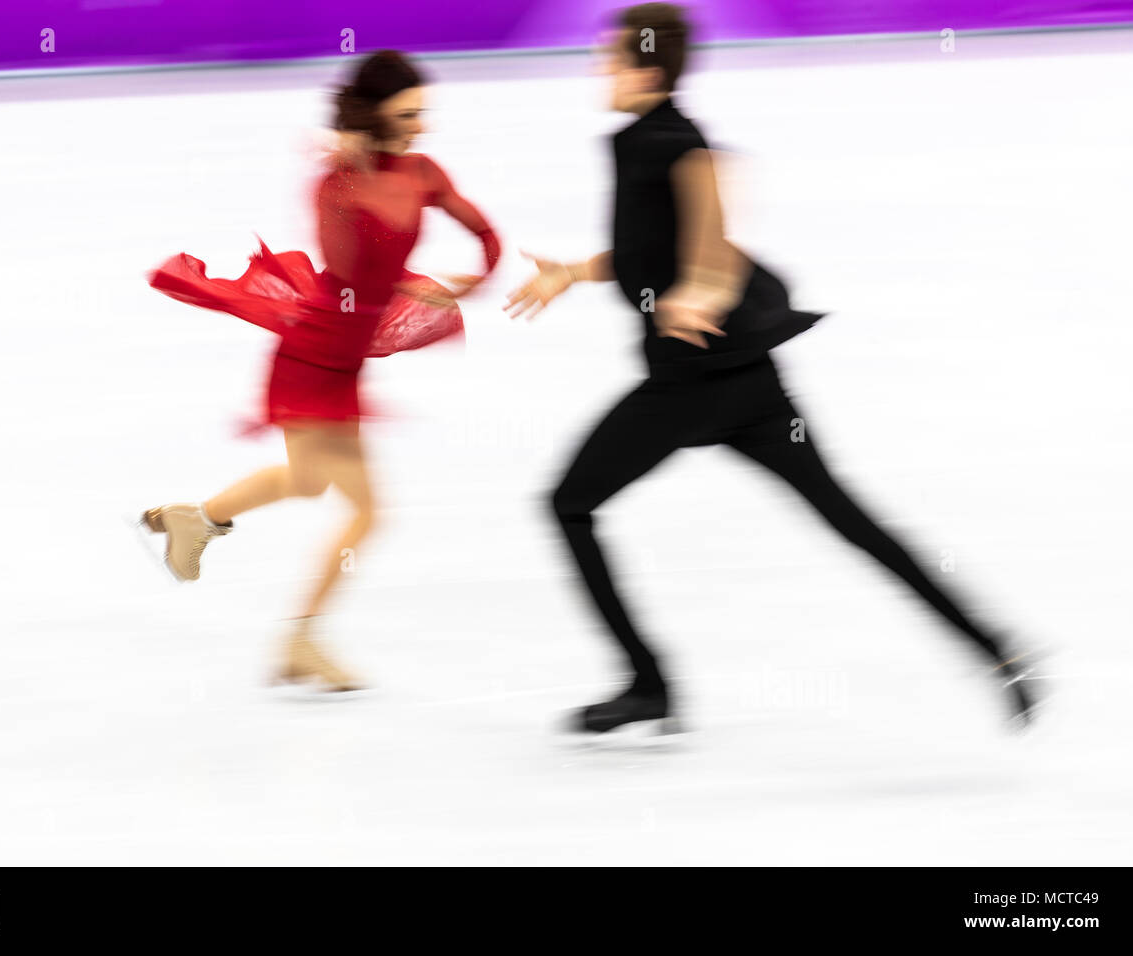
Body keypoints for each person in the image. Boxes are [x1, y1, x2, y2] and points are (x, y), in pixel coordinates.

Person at [506, 3, 1040, 734]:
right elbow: (648, 253)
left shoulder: (678, 145)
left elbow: (714, 244)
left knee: (568, 504)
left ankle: (648, 684)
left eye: (612, 55)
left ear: (648, 69)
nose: (599, 64)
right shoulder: (638, 143)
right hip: (749, 389)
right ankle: (996, 650)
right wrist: (572, 272)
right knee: (848, 518)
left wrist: (701, 291)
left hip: (687, 387)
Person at [143, 50, 501, 692]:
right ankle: (301, 640)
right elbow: (346, 264)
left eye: (423, 113)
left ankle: (194, 520)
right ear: (372, 115)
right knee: (369, 511)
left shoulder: (423, 171)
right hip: (314, 355)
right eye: (407, 115)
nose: (421, 126)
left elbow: (486, 234)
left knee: (309, 482)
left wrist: (472, 282)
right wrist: (352, 173)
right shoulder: (335, 184)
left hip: (345, 360)